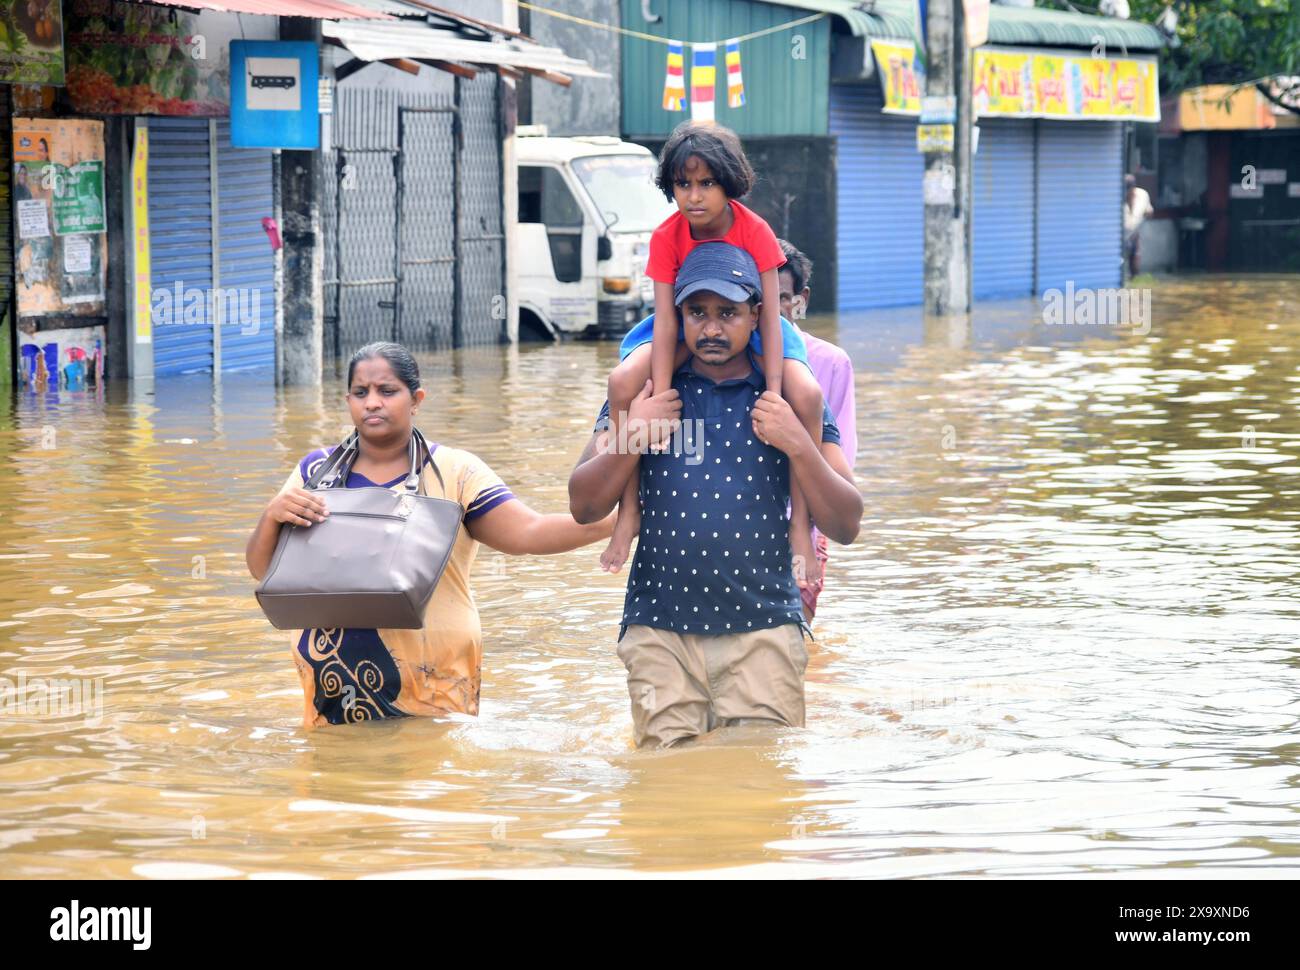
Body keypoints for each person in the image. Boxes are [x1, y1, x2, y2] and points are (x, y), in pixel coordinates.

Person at [569, 243, 862, 749]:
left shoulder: (786, 398)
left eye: (727, 313)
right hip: (659, 631)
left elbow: (846, 524)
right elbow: (584, 505)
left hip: (764, 629)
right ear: (675, 316)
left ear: (757, 316)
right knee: (667, 794)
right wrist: (631, 437)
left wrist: (798, 444)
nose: (710, 328)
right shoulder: (654, 390)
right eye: (696, 312)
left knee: (756, 789)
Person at [246, 341, 614, 728]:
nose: (372, 402)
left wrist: (619, 522)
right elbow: (263, 570)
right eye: (360, 392)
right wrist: (271, 517)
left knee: (434, 783)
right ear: (348, 400)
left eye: (387, 391)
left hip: (435, 681)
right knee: (334, 782)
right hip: (332, 683)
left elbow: (528, 532)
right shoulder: (316, 473)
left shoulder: (454, 472)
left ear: (416, 399)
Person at [601, 122, 825, 599]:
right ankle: (629, 513)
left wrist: (774, 390)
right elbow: (664, 320)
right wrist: (659, 397)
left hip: (756, 324)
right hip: (682, 324)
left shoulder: (755, 231)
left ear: (730, 184)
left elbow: (767, 314)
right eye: (684, 184)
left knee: (807, 395)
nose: (694, 196)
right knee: (621, 383)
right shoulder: (667, 236)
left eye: (706, 184)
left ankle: (801, 525)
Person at [776, 239, 858, 622]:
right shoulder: (727, 356)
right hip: (736, 534)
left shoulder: (830, 364)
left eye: (782, 298)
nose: (770, 311)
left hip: (805, 532)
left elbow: (839, 474)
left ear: (800, 300)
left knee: (793, 646)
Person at [1123, 174, 1154, 278]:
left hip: (1134, 233)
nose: (1129, 192)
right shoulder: (1118, 198)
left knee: (1135, 257)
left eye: (1130, 189)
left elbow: (1149, 212)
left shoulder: (1142, 194)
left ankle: (1134, 279)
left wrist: (1140, 221)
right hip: (1120, 235)